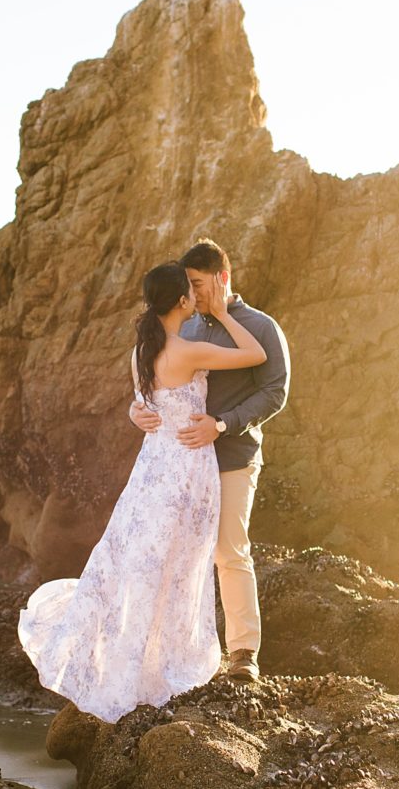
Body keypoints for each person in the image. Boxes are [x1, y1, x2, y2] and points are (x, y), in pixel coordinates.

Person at [16, 261, 267, 723]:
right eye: (190, 291)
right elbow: (254, 354)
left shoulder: (141, 352)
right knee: (181, 567)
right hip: (188, 470)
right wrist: (224, 315)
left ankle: (139, 665)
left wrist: (137, 412)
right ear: (182, 301)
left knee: (141, 563)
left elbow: (145, 403)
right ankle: (164, 667)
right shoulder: (188, 351)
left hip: (151, 471)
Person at [128, 239, 291, 683]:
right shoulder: (186, 327)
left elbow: (275, 392)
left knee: (229, 551)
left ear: (222, 278)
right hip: (183, 461)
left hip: (233, 455)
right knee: (176, 553)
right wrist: (136, 411)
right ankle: (172, 651)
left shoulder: (261, 326)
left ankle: (243, 653)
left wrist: (221, 424)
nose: (192, 293)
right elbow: (155, 383)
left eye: (198, 284)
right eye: (187, 285)